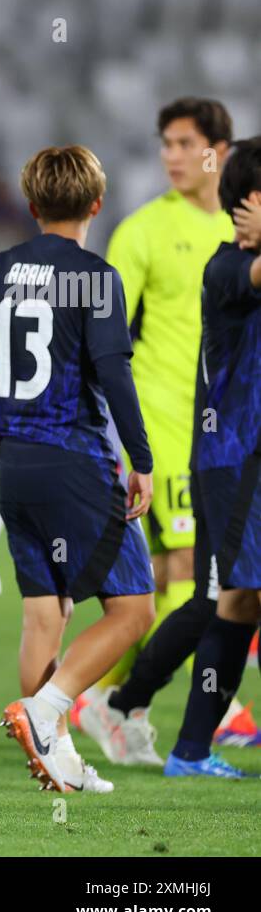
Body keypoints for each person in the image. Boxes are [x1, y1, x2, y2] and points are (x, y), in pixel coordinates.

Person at [0, 144, 155, 793]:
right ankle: (46, 710)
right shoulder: (95, 276)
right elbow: (113, 372)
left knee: (45, 613)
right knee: (133, 609)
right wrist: (143, 460)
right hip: (74, 460)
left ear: (30, 205)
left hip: (15, 465)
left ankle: (56, 759)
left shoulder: (1, 267)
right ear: (97, 204)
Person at [89, 99, 235, 698]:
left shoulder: (241, 226)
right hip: (162, 415)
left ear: (217, 151)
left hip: (225, 424)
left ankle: (95, 696)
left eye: (183, 144)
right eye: (165, 144)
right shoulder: (144, 229)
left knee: (164, 576)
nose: (170, 156)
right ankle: (114, 700)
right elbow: (107, 329)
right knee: (192, 570)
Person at [158, 138, 261, 779]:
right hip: (232, 458)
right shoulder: (226, 269)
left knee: (241, 600)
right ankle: (187, 747)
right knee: (235, 597)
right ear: (250, 201)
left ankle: (188, 746)